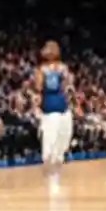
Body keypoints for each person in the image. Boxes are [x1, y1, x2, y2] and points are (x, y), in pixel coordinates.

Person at [35, 40, 75, 196]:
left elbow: (67, 87)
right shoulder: (41, 70)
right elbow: (38, 90)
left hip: (63, 107)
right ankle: (49, 177)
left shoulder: (63, 68)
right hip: (49, 108)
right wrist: (37, 107)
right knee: (49, 144)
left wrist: (74, 102)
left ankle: (57, 176)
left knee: (62, 141)